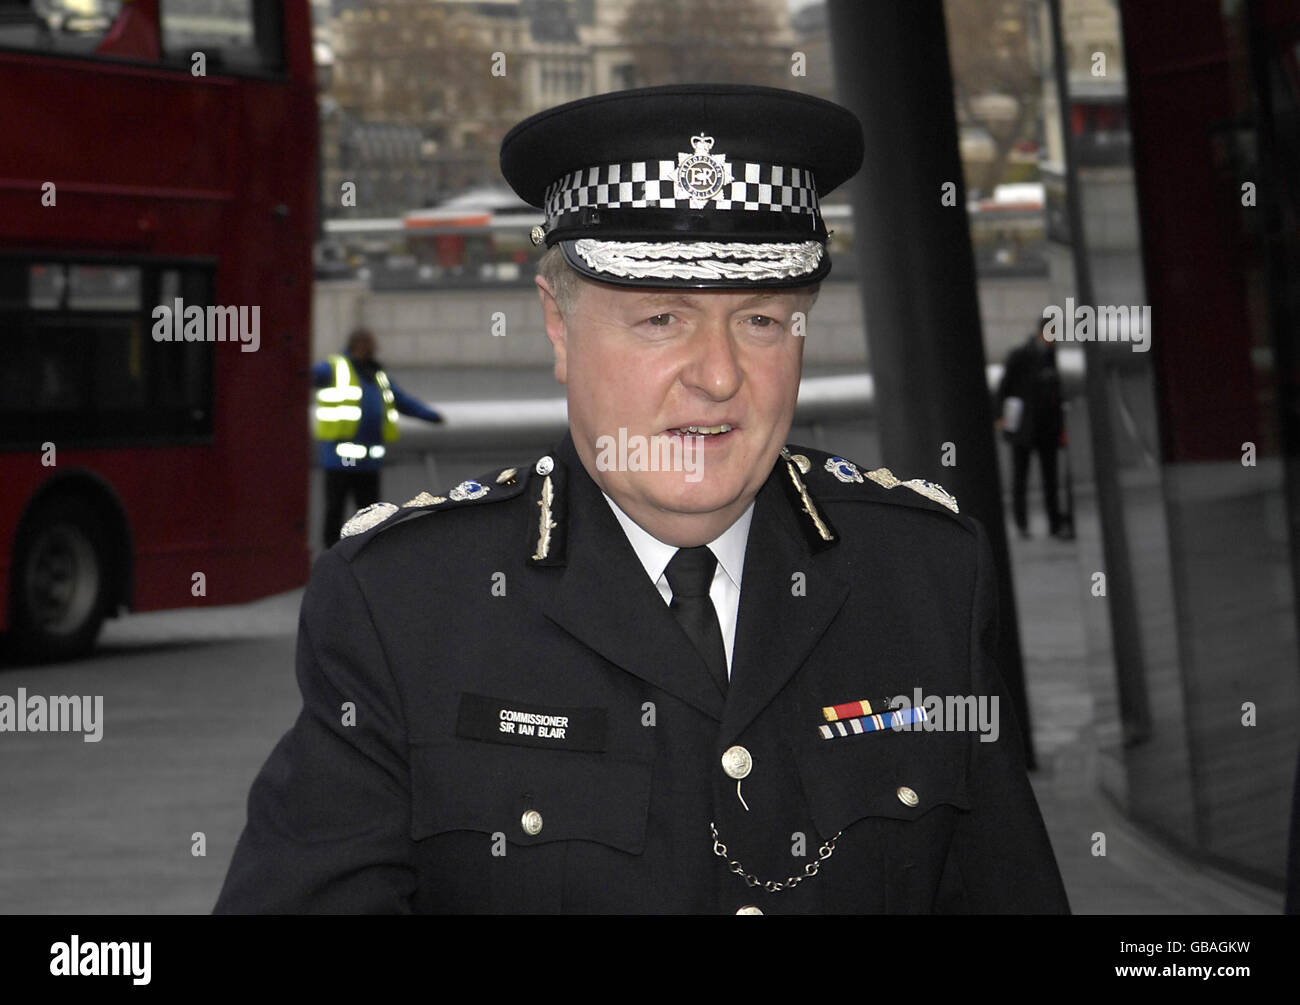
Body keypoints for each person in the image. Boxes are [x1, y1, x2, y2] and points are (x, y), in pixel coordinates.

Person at [217, 84, 1069, 914]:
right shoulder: (403, 607)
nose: (720, 375)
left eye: (762, 320)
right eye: (662, 318)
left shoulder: (924, 576)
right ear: (557, 323)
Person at [313, 327, 444, 548]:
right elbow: (304, 376)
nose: (375, 350)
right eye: (370, 345)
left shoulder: (377, 374)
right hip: (339, 460)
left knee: (370, 514)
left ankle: (364, 554)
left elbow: (401, 401)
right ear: (358, 345)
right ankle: (333, 556)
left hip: (368, 462)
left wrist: (430, 416)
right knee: (335, 511)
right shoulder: (334, 368)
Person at [995, 317, 1066, 539]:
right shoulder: (1021, 356)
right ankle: (1022, 522)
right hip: (1023, 426)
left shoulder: (1053, 358)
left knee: (1050, 478)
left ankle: (1054, 522)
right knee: (1021, 477)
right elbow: (1003, 389)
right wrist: (1001, 417)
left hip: (1047, 427)